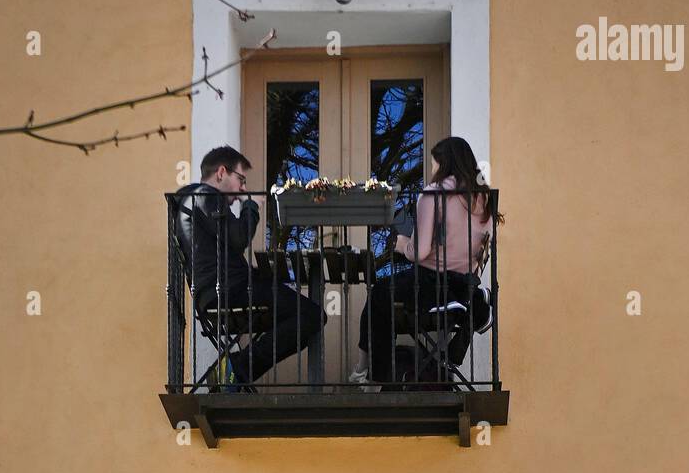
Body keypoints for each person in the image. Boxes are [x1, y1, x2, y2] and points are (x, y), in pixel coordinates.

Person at [348, 136, 494, 390]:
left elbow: (420, 251)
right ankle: (382, 373)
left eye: (434, 164)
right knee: (389, 300)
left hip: (429, 286)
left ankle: (369, 373)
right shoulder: (485, 200)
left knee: (380, 295)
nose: (432, 170)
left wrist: (404, 243)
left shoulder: (433, 194)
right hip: (462, 290)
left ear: (444, 163)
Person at [173, 146, 324, 390]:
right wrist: (250, 206)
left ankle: (236, 370)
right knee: (312, 315)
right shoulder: (205, 195)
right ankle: (237, 368)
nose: (242, 189)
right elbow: (238, 238)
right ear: (222, 172)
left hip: (217, 291)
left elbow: (224, 249)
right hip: (229, 290)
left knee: (301, 326)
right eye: (241, 180)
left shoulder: (193, 201)